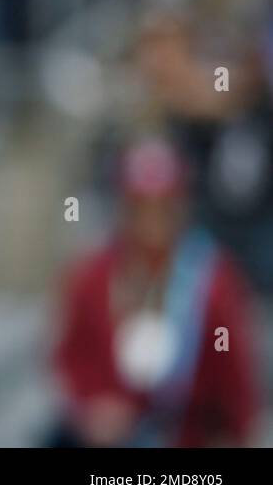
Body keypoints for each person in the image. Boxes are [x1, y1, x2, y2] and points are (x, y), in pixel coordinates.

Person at [52, 138, 259, 447]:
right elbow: (70, 360)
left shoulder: (214, 282)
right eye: (140, 206)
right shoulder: (91, 278)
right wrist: (92, 408)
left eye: (164, 205)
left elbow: (235, 388)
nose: (152, 220)